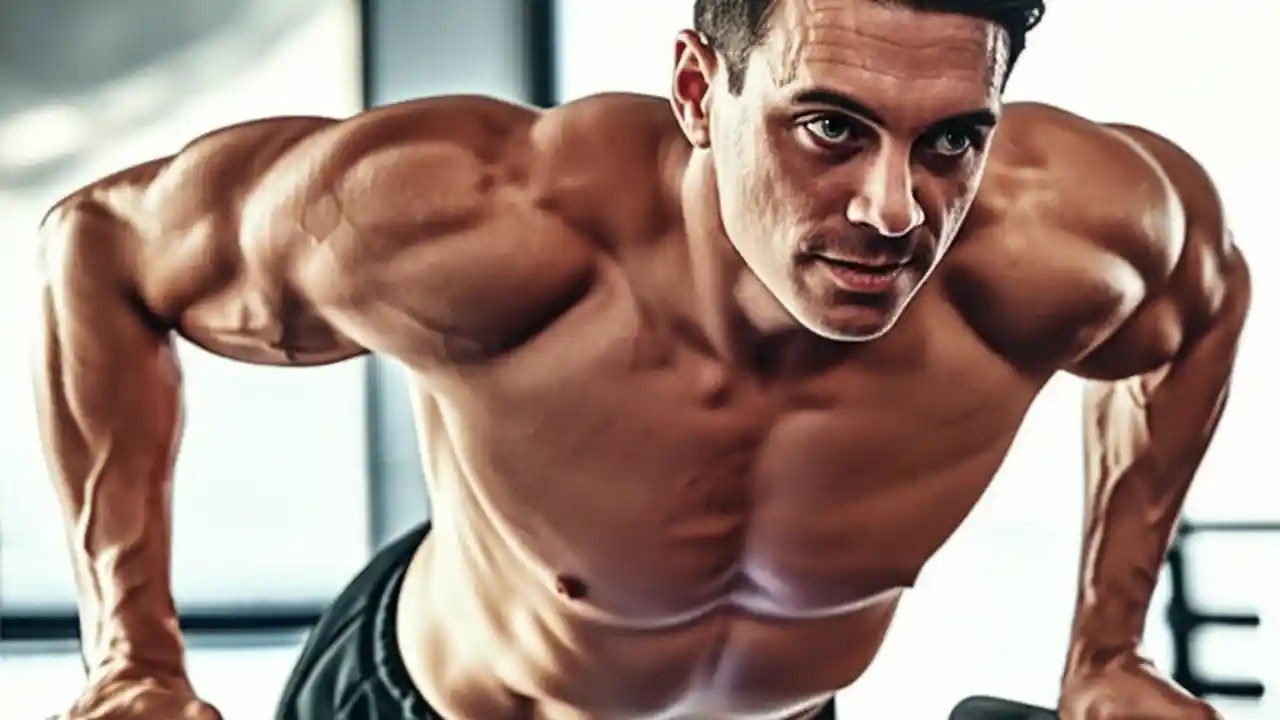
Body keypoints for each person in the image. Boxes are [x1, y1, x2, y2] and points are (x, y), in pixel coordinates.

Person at [33, 0, 1248, 717]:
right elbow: (100, 248)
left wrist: (1106, 650)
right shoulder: (473, 224)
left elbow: (1198, 318)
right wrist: (133, 656)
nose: (893, 207)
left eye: (950, 141)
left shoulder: (1069, 248)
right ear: (696, 87)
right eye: (829, 127)